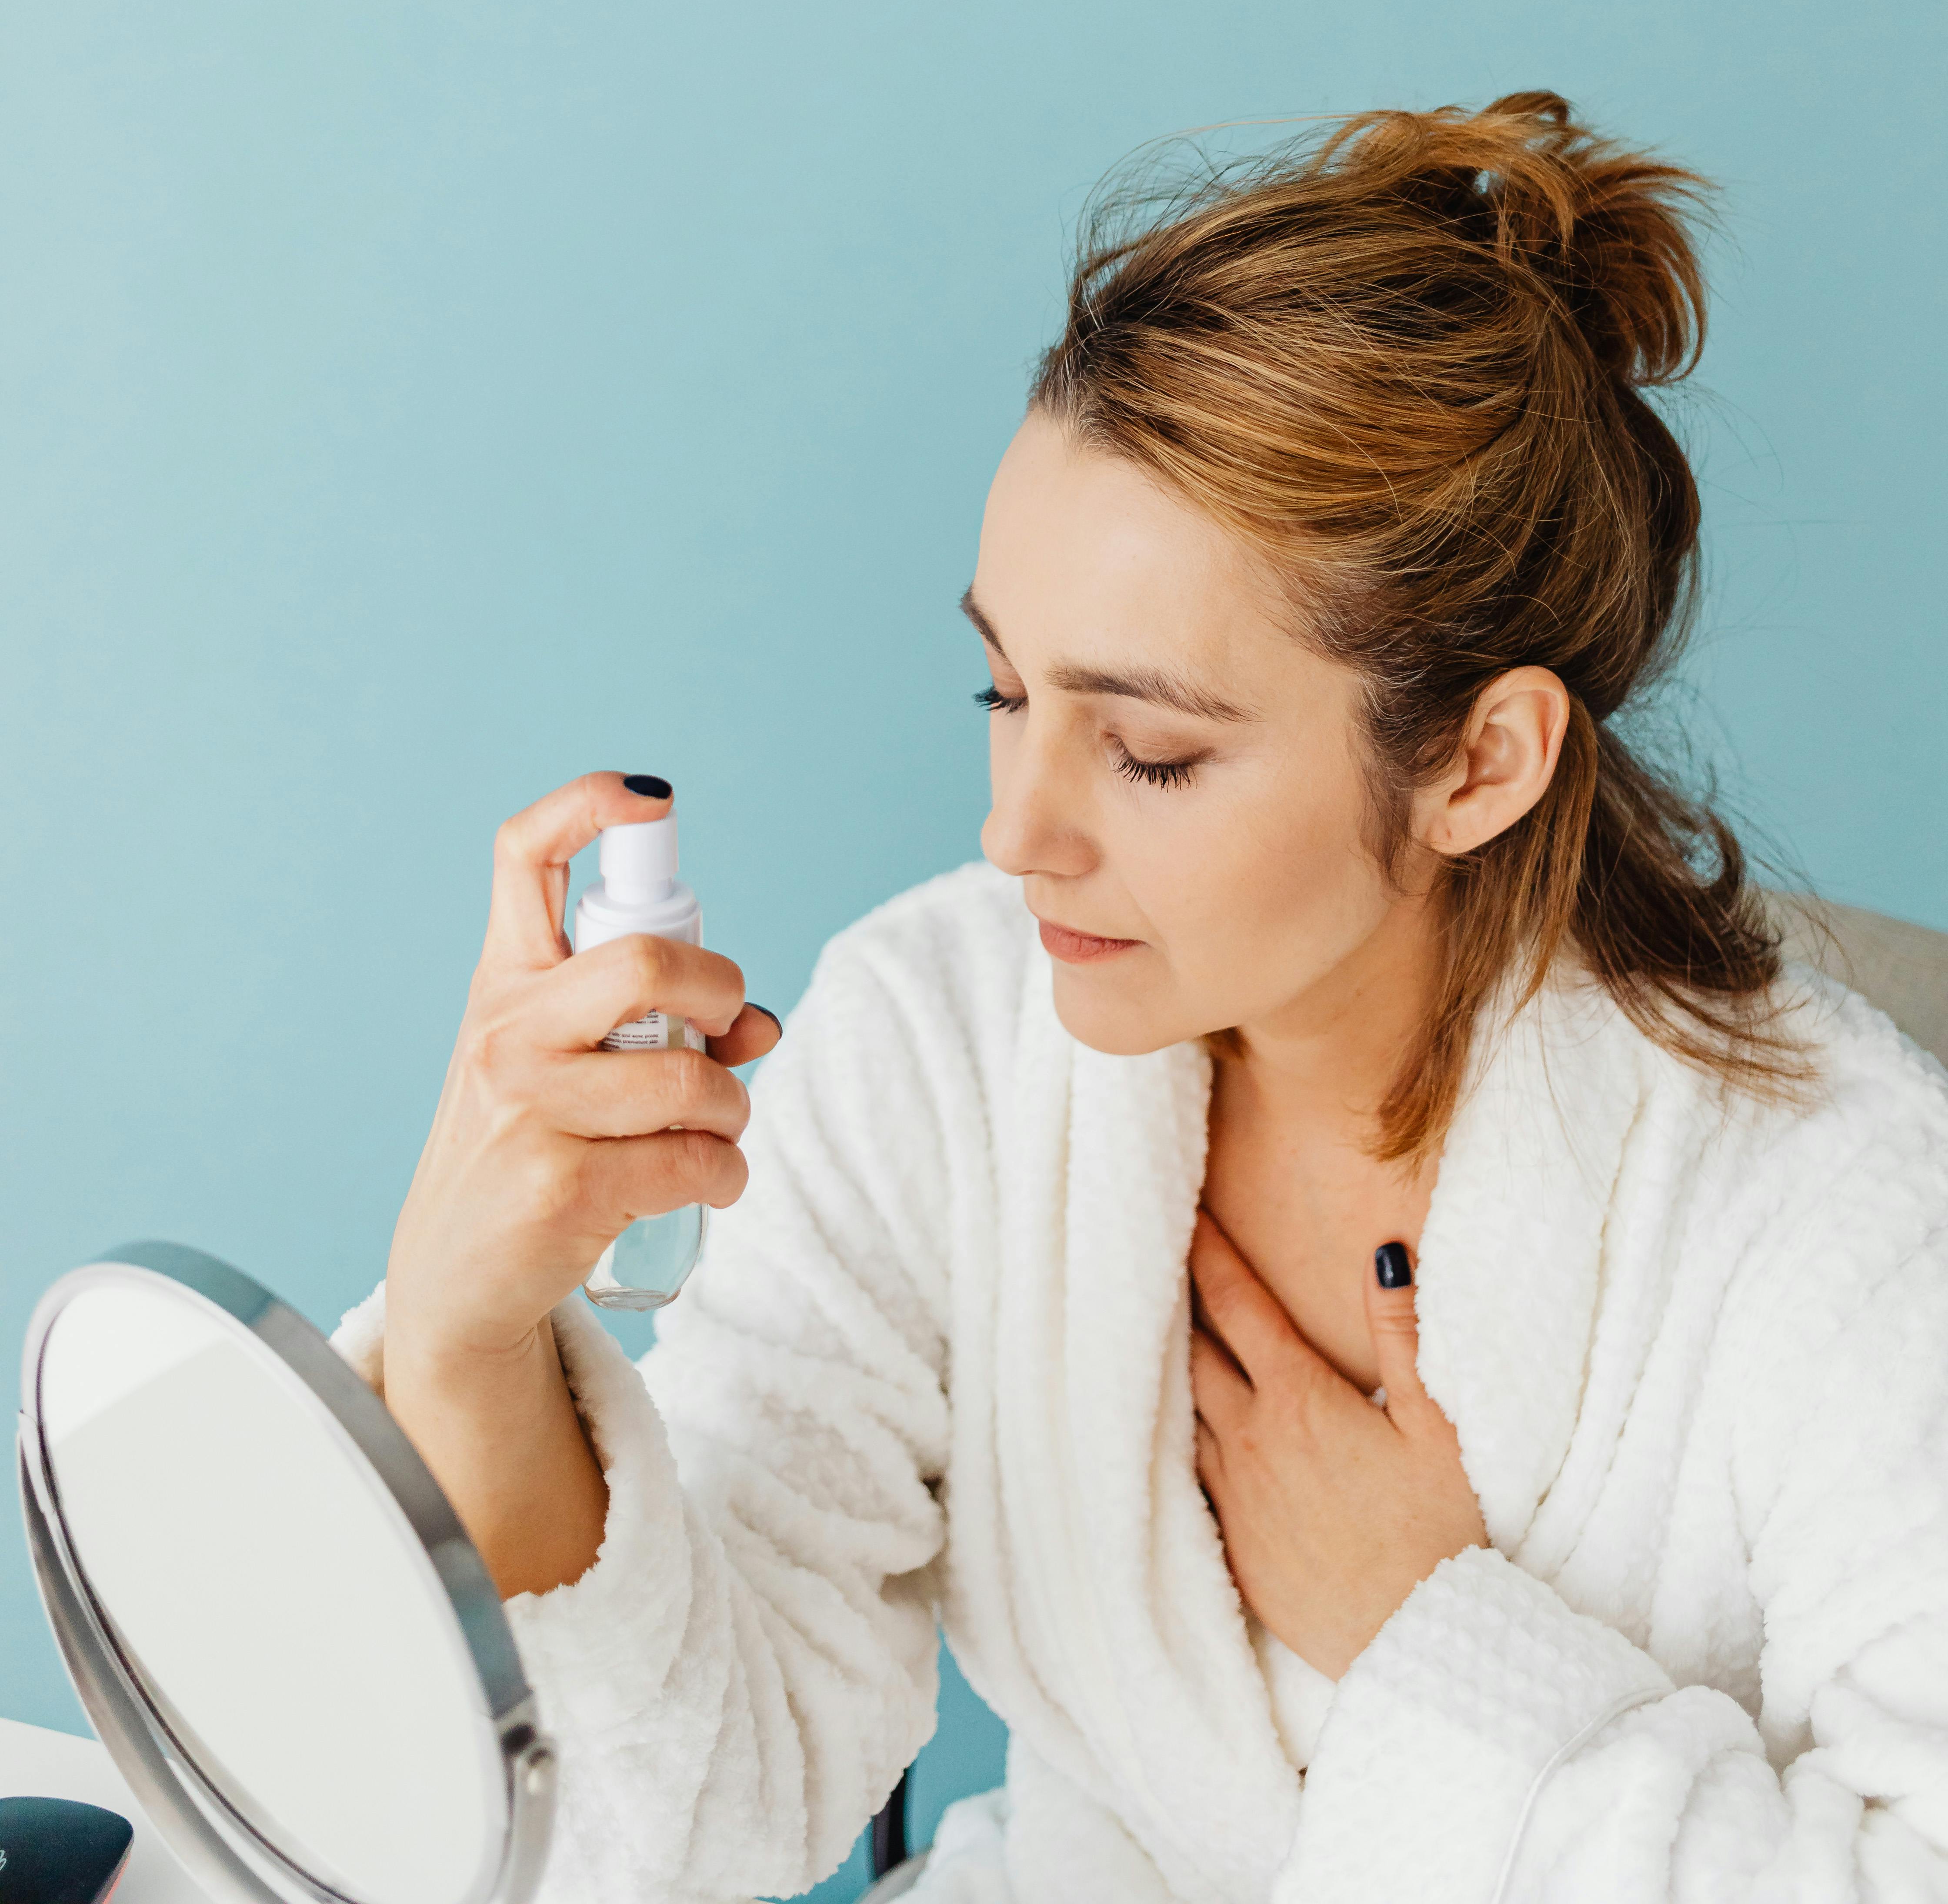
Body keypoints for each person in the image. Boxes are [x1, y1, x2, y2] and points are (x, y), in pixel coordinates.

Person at [340, 92, 1948, 1904]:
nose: (1013, 833)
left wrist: (1433, 1643)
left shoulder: (1845, 1224)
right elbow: (694, 1804)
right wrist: (472, 1341)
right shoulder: (944, 1044)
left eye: (1153, 752)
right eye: (1004, 696)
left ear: (1480, 762)